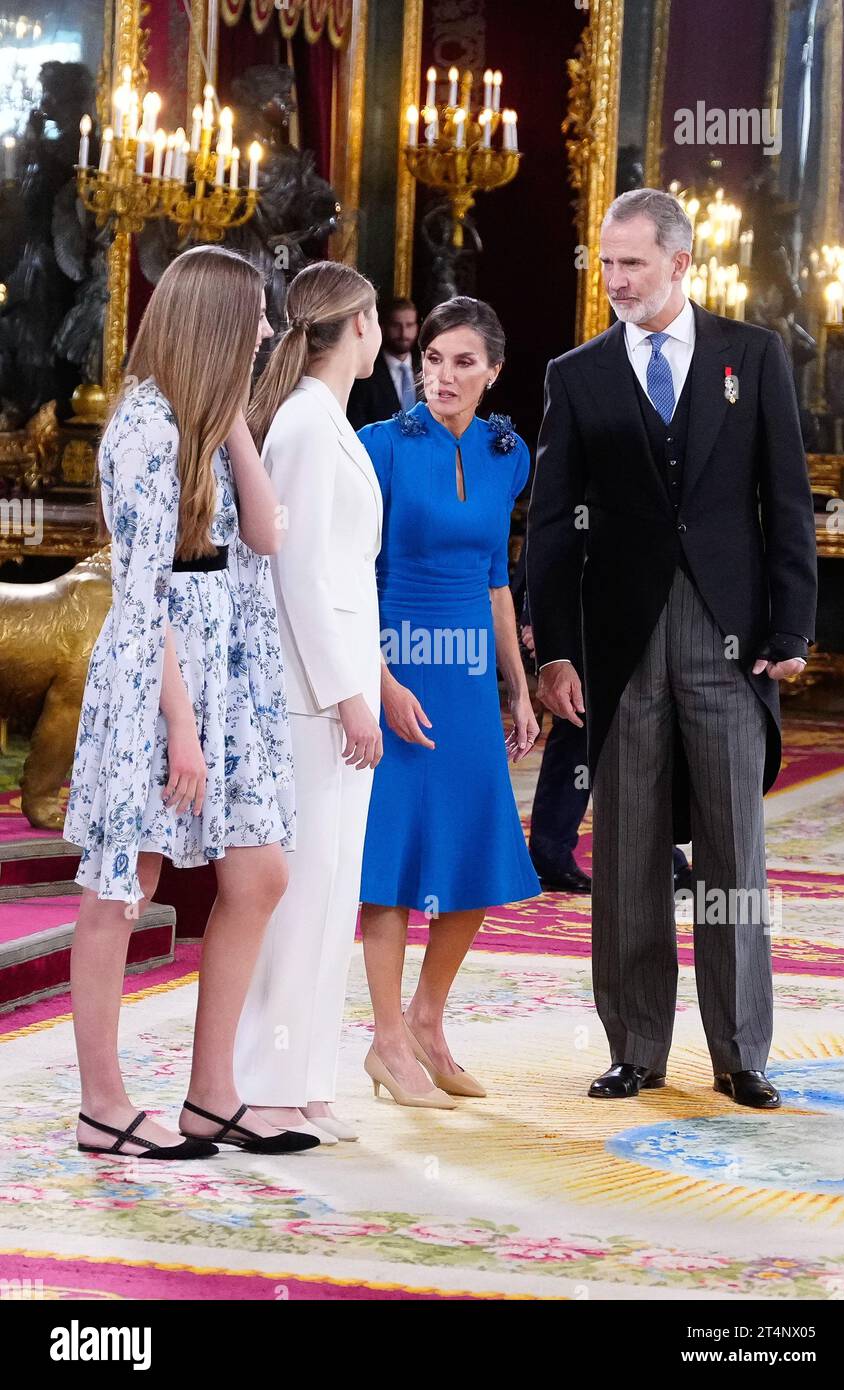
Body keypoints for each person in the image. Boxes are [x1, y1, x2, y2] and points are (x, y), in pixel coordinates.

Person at [526, 189, 817, 1109]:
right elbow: (550, 529)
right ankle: (635, 1048)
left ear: (681, 264)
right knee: (628, 856)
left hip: (730, 645)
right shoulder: (577, 375)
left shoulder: (752, 355)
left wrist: (791, 629)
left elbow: (788, 501)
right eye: (606, 265)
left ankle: (742, 1055)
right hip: (619, 650)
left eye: (632, 264)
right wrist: (556, 652)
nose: (614, 282)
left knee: (735, 854)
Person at [63, 246, 320, 1159]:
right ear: (214, 321)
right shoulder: (141, 431)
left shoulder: (204, 422)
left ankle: (214, 1096)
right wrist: (179, 722)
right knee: (123, 889)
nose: (263, 331)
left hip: (229, 676)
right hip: (155, 678)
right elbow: (141, 594)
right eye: (251, 316)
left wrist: (234, 420)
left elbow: (263, 532)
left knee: (260, 874)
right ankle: (103, 1105)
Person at [358, 296, 541, 1109]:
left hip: (469, 676)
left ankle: (428, 1022)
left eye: (464, 361)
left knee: (475, 852)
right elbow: (350, 578)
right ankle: (386, 1042)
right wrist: (381, 680)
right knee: (396, 860)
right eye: (433, 358)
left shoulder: (510, 453)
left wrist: (519, 688)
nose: (443, 374)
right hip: (396, 660)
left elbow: (499, 578)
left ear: (493, 371)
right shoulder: (380, 448)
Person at [233, 262, 384, 1143]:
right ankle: (265, 1085)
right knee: (303, 893)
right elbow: (298, 575)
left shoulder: (326, 420)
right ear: (357, 325)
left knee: (335, 891)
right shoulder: (300, 423)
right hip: (307, 701)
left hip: (333, 694)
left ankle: (308, 1080)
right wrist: (345, 695)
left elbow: (343, 578)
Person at [513, 540, 692, 894]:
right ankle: (551, 855)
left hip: (640, 610)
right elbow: (552, 530)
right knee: (580, 733)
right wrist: (536, 616)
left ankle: (658, 857)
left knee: (635, 735)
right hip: (582, 617)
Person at [347, 297, 420, 430]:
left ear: (417, 327)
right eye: (396, 325)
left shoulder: (427, 367)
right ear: (383, 327)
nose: (403, 333)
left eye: (409, 325)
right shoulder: (365, 372)